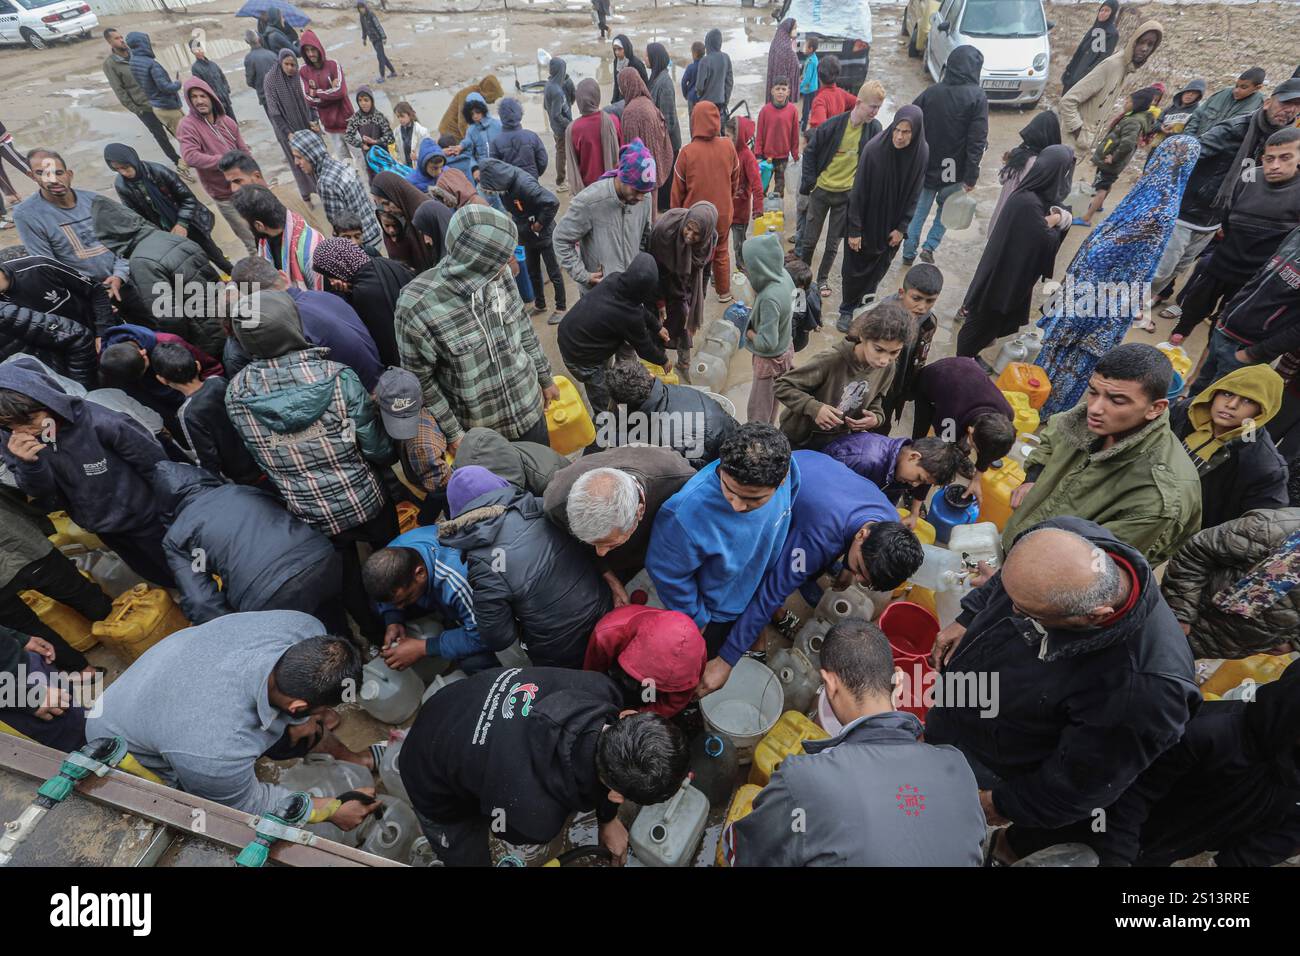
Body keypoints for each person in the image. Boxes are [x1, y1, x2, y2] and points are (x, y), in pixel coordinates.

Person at [925, 518, 1198, 865]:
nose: (1011, 611)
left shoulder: (1145, 691)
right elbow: (1007, 581)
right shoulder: (1064, 536)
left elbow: (1077, 786)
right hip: (961, 700)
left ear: (1093, 617)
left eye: (1026, 612)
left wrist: (997, 804)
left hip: (993, 759)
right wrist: (971, 613)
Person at [85, 611, 381, 828]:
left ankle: (356, 759)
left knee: (306, 730)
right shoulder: (213, 748)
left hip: (175, 677)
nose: (327, 717)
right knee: (193, 811)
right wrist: (329, 810)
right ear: (296, 705)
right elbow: (246, 807)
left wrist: (305, 719)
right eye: (319, 711)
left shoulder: (303, 627)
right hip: (121, 738)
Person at [726, 618, 982, 866]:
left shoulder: (803, 780)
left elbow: (744, 852)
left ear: (829, 684)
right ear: (899, 681)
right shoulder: (958, 768)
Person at [224, 289, 397, 641]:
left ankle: (374, 634)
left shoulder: (236, 394)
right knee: (391, 558)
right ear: (292, 325)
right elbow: (377, 447)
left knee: (346, 575)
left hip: (311, 512)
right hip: (365, 497)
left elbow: (261, 458)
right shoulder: (338, 377)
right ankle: (406, 612)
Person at [400, 665, 687, 866]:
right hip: (426, 771)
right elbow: (502, 825)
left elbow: (603, 766)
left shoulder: (599, 688)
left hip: (451, 701)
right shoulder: (536, 817)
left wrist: (608, 819)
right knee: (467, 855)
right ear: (616, 795)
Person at [700, 450, 922, 695]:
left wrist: (849, 569)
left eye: (864, 582)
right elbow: (771, 593)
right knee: (758, 579)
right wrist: (726, 660)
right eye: (860, 569)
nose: (857, 580)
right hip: (778, 481)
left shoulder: (889, 521)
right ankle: (754, 636)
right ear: (862, 536)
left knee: (803, 568)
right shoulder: (820, 538)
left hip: (816, 469)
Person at [1037, 136, 1201, 412]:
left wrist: (1079, 277)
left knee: (1072, 353)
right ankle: (1044, 399)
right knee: (1070, 351)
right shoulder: (1159, 195)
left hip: (1099, 295)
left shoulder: (1157, 209)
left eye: (1164, 156)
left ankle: (1044, 406)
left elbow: (1102, 254)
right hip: (1109, 294)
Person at [1003, 343, 1202, 564]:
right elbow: (1052, 437)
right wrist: (1033, 479)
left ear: (1156, 408)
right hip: (1019, 545)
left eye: (1116, 400)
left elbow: (1093, 572)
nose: (1095, 408)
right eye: (1093, 392)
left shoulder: (1159, 498)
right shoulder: (1083, 420)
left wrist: (1007, 584)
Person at [1098, 663, 1300, 868]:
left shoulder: (1289, 768)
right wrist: (1118, 856)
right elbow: (1130, 793)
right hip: (1108, 838)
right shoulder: (1208, 733)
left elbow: (1281, 836)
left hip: (1164, 849)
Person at [395, 205, 559, 452]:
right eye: (500, 260)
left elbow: (523, 327)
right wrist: (453, 433)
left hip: (530, 410)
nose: (507, 266)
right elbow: (422, 381)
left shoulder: (498, 276)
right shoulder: (416, 307)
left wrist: (545, 378)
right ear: (475, 262)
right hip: (483, 437)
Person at [0, 363, 172, 586]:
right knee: (152, 572)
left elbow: (158, 467)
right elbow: (40, 492)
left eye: (28, 420)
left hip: (147, 520)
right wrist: (30, 464)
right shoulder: (14, 440)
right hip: (102, 527)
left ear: (48, 402)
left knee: (183, 570)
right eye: (9, 425)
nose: (23, 431)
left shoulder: (104, 423)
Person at [646, 422, 799, 657]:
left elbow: (790, 501)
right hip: (716, 613)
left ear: (781, 480)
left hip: (756, 587)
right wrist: (697, 619)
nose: (736, 506)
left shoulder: (789, 471)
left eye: (753, 499)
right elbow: (669, 574)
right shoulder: (684, 514)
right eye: (729, 489)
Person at [436, 467, 613, 668]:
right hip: (605, 608)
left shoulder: (484, 562)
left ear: (459, 516)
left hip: (566, 652)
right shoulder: (541, 505)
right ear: (500, 485)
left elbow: (498, 637)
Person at [1150, 80, 1300, 313]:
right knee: (1162, 268)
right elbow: (1190, 155)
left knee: (1178, 268)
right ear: (1268, 102)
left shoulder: (1285, 142)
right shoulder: (1236, 128)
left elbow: (1257, 180)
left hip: (1215, 219)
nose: (1290, 109)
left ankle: (1135, 305)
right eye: (1286, 102)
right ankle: (1122, 307)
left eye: (1297, 105)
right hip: (1187, 210)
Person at [153, 461, 340, 629]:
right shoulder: (241, 491)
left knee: (305, 648)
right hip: (320, 558)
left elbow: (201, 601)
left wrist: (237, 632)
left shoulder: (178, 537)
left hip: (268, 595)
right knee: (332, 615)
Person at [1170, 128, 1300, 349]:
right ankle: (1171, 348)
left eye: (1285, 157)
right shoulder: (1249, 178)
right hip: (1222, 262)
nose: (1275, 165)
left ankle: (1198, 377)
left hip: (1254, 278)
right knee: (1192, 309)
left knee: (1224, 327)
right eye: (1269, 159)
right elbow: (1228, 218)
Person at [956, 145, 1074, 359]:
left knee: (986, 328)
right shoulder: (1027, 203)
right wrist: (1059, 219)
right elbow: (1043, 241)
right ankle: (960, 363)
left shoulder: (1033, 198)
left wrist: (1056, 218)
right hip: (999, 283)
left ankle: (968, 359)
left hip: (1005, 279)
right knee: (978, 327)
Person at [544, 448, 695, 591]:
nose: (600, 553)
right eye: (592, 543)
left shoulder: (679, 480)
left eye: (610, 544)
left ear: (640, 511)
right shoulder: (556, 502)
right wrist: (609, 576)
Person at [90, 197, 224, 355]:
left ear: (111, 238)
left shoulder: (141, 262)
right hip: (223, 318)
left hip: (203, 336)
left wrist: (175, 347)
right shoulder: (170, 237)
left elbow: (169, 316)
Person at [1162, 507, 1300, 660]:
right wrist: (1180, 614)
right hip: (1166, 623)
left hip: (1211, 648)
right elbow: (1196, 552)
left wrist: (1293, 643)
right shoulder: (1277, 528)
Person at [13, 150, 136, 320]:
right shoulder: (27, 214)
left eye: (58, 172)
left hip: (125, 280)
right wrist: (94, 296)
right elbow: (48, 267)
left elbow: (125, 242)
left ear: (69, 174)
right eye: (42, 173)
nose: (53, 179)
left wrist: (119, 275)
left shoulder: (94, 201)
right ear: (32, 176)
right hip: (87, 295)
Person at [229, 257, 381, 391]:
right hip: (377, 376)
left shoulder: (288, 326)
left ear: (255, 299)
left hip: (359, 395)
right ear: (282, 275)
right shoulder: (322, 295)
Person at [0, 493, 111, 674]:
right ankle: (124, 635)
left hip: (20, 549)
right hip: (22, 548)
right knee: (81, 593)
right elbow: (19, 491)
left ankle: (82, 671)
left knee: (27, 629)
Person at [775, 301, 909, 450]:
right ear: (864, 336)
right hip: (800, 439)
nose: (884, 360)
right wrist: (813, 407)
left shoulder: (888, 368)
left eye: (894, 352)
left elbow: (876, 397)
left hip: (840, 441)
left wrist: (876, 417)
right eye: (878, 349)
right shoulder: (831, 360)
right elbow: (782, 385)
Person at [841, 105, 928, 332]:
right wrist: (854, 229)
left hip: (892, 227)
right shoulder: (874, 150)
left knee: (878, 269)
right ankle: (847, 308)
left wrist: (902, 227)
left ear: (916, 132)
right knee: (854, 268)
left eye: (906, 132)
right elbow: (858, 193)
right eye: (897, 130)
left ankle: (865, 304)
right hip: (866, 221)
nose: (899, 137)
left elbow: (915, 194)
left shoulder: (921, 153)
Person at [1170, 365, 1288, 530]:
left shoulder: (1264, 467)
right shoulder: (1186, 412)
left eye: (1248, 400)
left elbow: (1257, 529)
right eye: (1227, 393)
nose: (1232, 405)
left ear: (1261, 411)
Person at [903, 46, 988, 267]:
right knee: (946, 208)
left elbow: (910, 117)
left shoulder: (932, 92)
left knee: (919, 209)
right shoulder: (977, 97)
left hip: (927, 161)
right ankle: (929, 247)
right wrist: (971, 175)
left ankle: (908, 251)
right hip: (953, 166)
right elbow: (977, 140)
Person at [798, 83, 884, 301]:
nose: (875, 112)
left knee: (833, 243)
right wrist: (811, 183)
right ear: (858, 103)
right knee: (809, 239)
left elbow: (877, 160)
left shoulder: (874, 129)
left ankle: (822, 278)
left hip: (846, 196)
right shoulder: (833, 126)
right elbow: (810, 153)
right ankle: (803, 275)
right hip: (821, 191)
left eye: (878, 108)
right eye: (872, 107)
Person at [362, 527, 489, 671]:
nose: (401, 607)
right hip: (441, 598)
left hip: (486, 614)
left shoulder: (459, 582)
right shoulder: (393, 555)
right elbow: (389, 598)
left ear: (420, 573)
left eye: (405, 599)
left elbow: (485, 636)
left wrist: (423, 648)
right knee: (376, 609)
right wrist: (393, 620)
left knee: (473, 664)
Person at [557, 252, 669, 414]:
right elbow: (644, 347)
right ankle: (607, 427)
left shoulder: (616, 279)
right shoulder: (628, 316)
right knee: (602, 395)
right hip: (580, 356)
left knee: (606, 374)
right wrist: (663, 360)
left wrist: (656, 327)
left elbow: (637, 307)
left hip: (571, 332)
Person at [104, 142, 229, 274]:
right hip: (165, 232)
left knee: (216, 256)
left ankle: (239, 280)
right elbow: (135, 217)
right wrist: (159, 235)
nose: (123, 173)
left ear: (132, 160)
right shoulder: (122, 185)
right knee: (194, 265)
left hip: (190, 223)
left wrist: (182, 224)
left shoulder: (159, 171)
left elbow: (188, 199)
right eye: (118, 170)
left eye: (125, 167)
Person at [1206, 225, 1300, 393]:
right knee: (1200, 385)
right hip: (1225, 328)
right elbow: (1262, 273)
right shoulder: (1297, 233)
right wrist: (1228, 310)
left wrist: (1253, 354)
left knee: (1215, 399)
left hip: (1247, 347)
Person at [552, 140, 654, 294]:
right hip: (598, 294)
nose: (640, 198)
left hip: (630, 291)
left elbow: (644, 238)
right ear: (622, 177)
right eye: (636, 190)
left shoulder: (646, 197)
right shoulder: (590, 202)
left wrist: (636, 269)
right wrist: (583, 276)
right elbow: (560, 239)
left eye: (645, 192)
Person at [150, 342, 260, 485]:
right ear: (198, 365)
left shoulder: (187, 414)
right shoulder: (218, 382)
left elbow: (206, 458)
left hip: (243, 476)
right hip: (261, 455)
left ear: (162, 380)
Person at [176, 78, 259, 258]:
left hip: (246, 189)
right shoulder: (187, 125)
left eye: (203, 96)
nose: (199, 100)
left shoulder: (227, 122)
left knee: (263, 232)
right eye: (194, 97)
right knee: (251, 242)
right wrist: (224, 161)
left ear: (211, 97)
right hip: (225, 196)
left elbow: (244, 150)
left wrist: (256, 179)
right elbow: (190, 156)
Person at [98, 322, 222, 440]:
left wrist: (207, 398)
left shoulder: (169, 343)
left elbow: (211, 368)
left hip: (201, 400)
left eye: (144, 370)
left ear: (143, 353)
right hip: (171, 413)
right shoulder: (112, 363)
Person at [477, 158, 565, 322]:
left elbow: (552, 202)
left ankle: (561, 308)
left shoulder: (524, 184)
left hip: (542, 232)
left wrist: (539, 224)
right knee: (533, 272)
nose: (491, 192)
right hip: (526, 233)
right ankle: (540, 304)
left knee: (554, 272)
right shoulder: (504, 187)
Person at [604, 360, 737, 468]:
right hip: (734, 442)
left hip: (715, 470)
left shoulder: (648, 440)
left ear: (621, 405)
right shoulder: (680, 391)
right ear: (651, 375)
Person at [1059, 19, 1163, 152]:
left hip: (1080, 146)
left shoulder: (1125, 70)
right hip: (1069, 145)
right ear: (1133, 42)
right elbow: (1068, 101)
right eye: (1142, 42)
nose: (1144, 48)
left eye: (1150, 45)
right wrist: (1078, 131)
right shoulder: (1112, 65)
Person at [584, 606, 706, 719]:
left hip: (648, 692)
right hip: (616, 671)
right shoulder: (606, 635)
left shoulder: (695, 653)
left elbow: (676, 700)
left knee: (647, 696)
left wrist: (642, 717)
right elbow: (592, 679)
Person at [0, 252, 99, 387]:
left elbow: (96, 290)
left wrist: (103, 331)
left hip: (100, 341)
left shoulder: (36, 267)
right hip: (56, 376)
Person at [673, 103, 739, 304]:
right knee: (721, 252)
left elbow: (677, 192)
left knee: (695, 256)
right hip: (723, 214)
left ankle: (694, 297)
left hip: (696, 219)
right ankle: (724, 292)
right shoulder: (728, 146)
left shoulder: (686, 153)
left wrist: (678, 218)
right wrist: (728, 200)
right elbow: (735, 180)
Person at [312, 237, 412, 367]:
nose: (331, 282)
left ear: (338, 267)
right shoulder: (381, 262)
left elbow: (378, 339)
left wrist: (344, 296)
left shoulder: (363, 293)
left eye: (330, 275)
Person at [910, 356, 1016, 473]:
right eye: (976, 448)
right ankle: (916, 453)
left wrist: (980, 471)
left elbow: (989, 442)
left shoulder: (1008, 413)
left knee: (962, 441)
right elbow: (946, 445)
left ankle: (961, 454)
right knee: (923, 431)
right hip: (934, 376)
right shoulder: (951, 421)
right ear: (970, 431)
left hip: (968, 370)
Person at [1077, 87, 1160, 227]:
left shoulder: (1133, 121)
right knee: (1107, 183)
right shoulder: (1136, 118)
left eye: (1128, 101)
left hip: (1111, 162)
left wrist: (1113, 158)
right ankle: (1099, 205)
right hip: (1114, 162)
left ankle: (1086, 218)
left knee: (1100, 188)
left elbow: (1127, 144)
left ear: (1137, 104)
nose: (1125, 103)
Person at [102, 28, 183, 170]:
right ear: (109, 42)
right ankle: (177, 161)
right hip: (144, 107)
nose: (121, 40)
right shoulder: (111, 64)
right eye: (116, 38)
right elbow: (119, 90)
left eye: (121, 37)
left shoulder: (136, 54)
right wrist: (136, 110)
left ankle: (193, 153)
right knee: (160, 136)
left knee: (178, 129)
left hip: (159, 101)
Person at [289, 130, 382, 253]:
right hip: (374, 232)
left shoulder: (326, 183)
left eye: (299, 157)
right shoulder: (340, 165)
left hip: (363, 244)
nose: (296, 163)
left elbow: (341, 228)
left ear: (311, 154)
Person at [876, 263, 943, 429]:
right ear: (901, 293)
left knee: (884, 424)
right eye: (916, 298)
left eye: (930, 301)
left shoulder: (929, 322)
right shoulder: (879, 318)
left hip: (898, 387)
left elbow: (920, 356)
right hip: (876, 386)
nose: (922, 307)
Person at [649, 201, 718, 361]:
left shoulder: (710, 240)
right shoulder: (665, 231)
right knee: (658, 323)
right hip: (662, 280)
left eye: (696, 233)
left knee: (685, 318)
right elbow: (653, 269)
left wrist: (700, 297)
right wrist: (659, 301)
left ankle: (684, 361)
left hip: (686, 283)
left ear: (706, 234)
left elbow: (706, 269)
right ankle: (658, 361)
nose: (689, 235)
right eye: (688, 228)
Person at [742, 233, 795, 425]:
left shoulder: (769, 298)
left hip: (770, 359)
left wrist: (747, 331)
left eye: (749, 266)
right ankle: (769, 431)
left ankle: (757, 442)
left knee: (758, 410)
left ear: (760, 266)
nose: (747, 271)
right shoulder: (784, 275)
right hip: (786, 347)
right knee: (773, 402)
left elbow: (767, 343)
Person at [232, 184, 325, 291]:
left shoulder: (312, 251)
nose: (243, 226)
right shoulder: (263, 239)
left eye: (243, 222)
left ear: (259, 226)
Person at [987, 111, 1061, 234]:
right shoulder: (1036, 163)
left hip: (1001, 216)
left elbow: (1002, 179)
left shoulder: (1018, 153)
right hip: (1015, 220)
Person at [125, 32, 188, 175]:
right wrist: (178, 83)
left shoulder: (134, 62)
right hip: (168, 107)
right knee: (188, 137)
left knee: (183, 136)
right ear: (143, 44)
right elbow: (165, 87)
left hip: (157, 107)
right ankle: (183, 168)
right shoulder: (152, 64)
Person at [263, 50, 319, 202]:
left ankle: (322, 190)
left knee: (314, 159)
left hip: (305, 125)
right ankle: (306, 196)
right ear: (280, 63)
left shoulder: (299, 76)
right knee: (298, 164)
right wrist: (288, 133)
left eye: (293, 65)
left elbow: (311, 99)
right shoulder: (270, 80)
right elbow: (274, 112)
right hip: (285, 129)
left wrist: (315, 120)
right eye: (286, 64)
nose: (290, 68)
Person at [616, 70, 672, 211]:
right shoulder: (649, 103)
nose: (621, 91)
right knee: (651, 212)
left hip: (638, 177)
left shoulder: (630, 112)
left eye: (621, 86)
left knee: (640, 217)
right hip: (652, 171)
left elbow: (630, 150)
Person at [297, 30, 353, 166]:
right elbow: (309, 100)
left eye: (313, 49)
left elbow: (341, 91)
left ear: (319, 48)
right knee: (345, 164)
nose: (310, 54)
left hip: (349, 122)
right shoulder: (304, 71)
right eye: (307, 51)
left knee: (362, 160)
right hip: (329, 126)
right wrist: (329, 91)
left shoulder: (333, 65)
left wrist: (317, 92)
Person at [370, 171, 436, 272]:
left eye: (387, 203)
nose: (386, 210)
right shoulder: (400, 216)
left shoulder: (425, 212)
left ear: (396, 194)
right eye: (381, 205)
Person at [565, 79, 621, 193]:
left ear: (578, 100)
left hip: (587, 191)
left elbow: (573, 165)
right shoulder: (612, 121)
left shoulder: (572, 129)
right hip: (611, 187)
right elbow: (621, 152)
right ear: (597, 97)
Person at [1182, 68, 1266, 139]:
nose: (1236, 90)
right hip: (1195, 142)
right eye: (1236, 86)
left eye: (1243, 87)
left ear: (1257, 87)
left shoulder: (1259, 106)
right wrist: (1189, 137)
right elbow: (1197, 115)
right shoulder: (1222, 94)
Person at [726, 115, 763, 274]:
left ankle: (744, 271)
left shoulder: (747, 157)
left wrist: (758, 208)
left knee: (739, 245)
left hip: (740, 212)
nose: (725, 139)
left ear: (738, 137)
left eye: (728, 136)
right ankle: (717, 273)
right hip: (725, 209)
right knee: (719, 244)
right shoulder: (725, 151)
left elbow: (757, 184)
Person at [645, 43, 680, 211]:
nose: (645, 58)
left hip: (668, 141)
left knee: (666, 178)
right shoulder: (656, 77)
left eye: (647, 55)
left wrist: (660, 142)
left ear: (654, 58)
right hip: (661, 140)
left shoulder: (664, 83)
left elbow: (668, 120)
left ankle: (665, 210)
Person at [1060, 1, 1120, 94]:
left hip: (1084, 78)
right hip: (1074, 72)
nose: (1102, 13)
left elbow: (1101, 59)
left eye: (1107, 11)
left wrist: (1084, 76)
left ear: (1112, 14)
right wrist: (1069, 69)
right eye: (1101, 10)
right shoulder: (1095, 28)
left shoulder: (1110, 34)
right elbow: (1080, 51)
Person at [755, 76, 800, 200]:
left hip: (783, 158)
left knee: (779, 190)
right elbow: (759, 134)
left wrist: (795, 155)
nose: (780, 91)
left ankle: (778, 212)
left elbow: (795, 135)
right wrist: (758, 155)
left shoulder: (793, 111)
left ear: (788, 92)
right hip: (766, 158)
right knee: (762, 188)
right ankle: (760, 212)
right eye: (778, 89)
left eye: (783, 89)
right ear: (772, 91)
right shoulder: (765, 111)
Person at [344, 86, 395, 180]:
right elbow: (348, 136)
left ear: (372, 101)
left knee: (388, 179)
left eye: (366, 100)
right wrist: (361, 145)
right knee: (374, 180)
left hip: (382, 154)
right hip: (369, 156)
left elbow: (390, 137)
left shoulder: (379, 116)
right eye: (360, 100)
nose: (363, 103)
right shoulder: (356, 118)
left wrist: (375, 141)